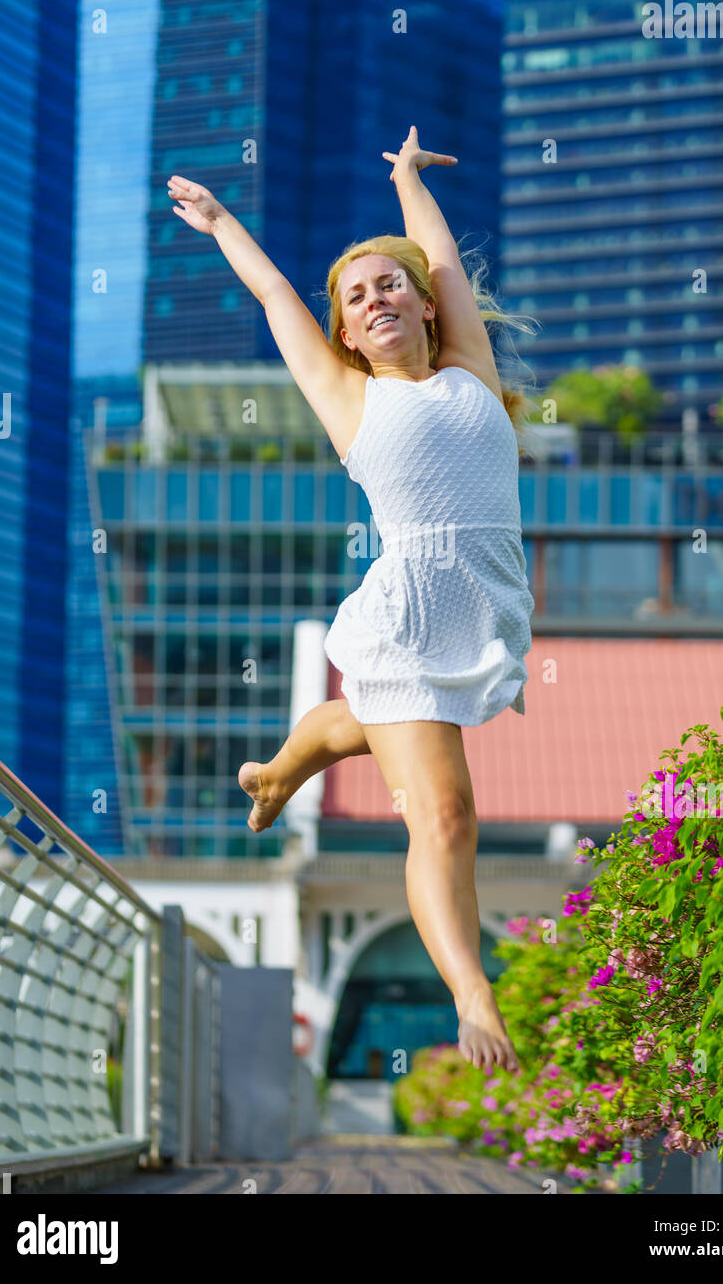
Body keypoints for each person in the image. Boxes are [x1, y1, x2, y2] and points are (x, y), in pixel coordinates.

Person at [168, 127, 535, 1073]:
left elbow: (446, 257)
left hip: (483, 613)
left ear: (420, 304)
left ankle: (277, 769)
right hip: (411, 626)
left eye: (389, 285)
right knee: (444, 817)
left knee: (358, 725)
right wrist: (219, 224)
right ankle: (471, 990)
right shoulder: (350, 399)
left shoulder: (469, 372)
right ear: (344, 328)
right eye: (356, 296)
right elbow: (275, 297)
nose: (375, 299)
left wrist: (407, 178)